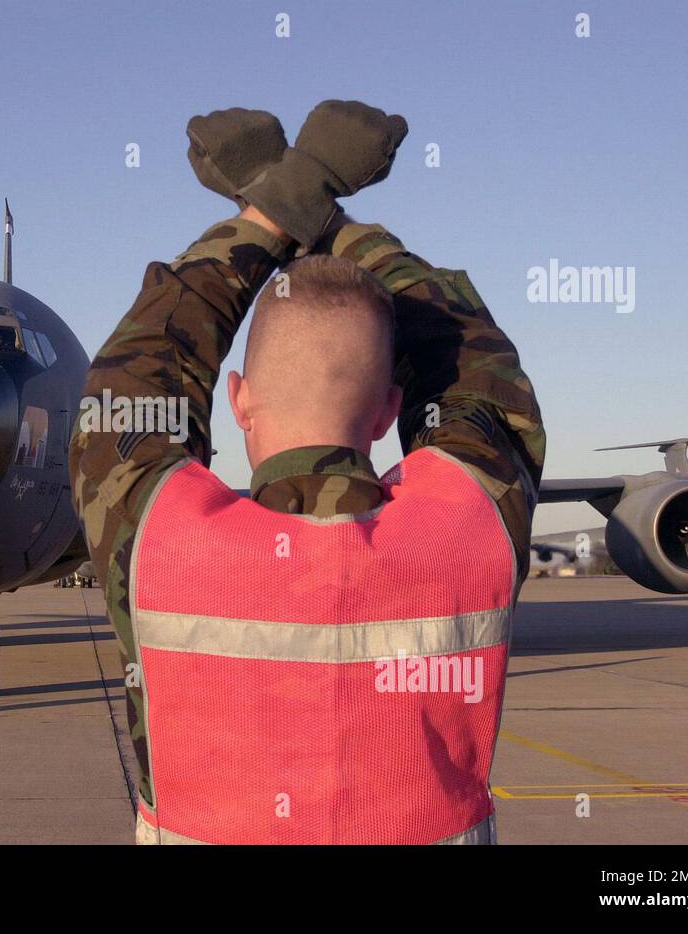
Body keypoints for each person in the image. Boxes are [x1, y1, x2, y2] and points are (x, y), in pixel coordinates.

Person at [69, 101, 545, 844]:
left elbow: (139, 377)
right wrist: (321, 213)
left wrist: (277, 203)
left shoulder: (159, 541)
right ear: (390, 409)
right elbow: (478, 375)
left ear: (236, 401)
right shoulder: (470, 532)